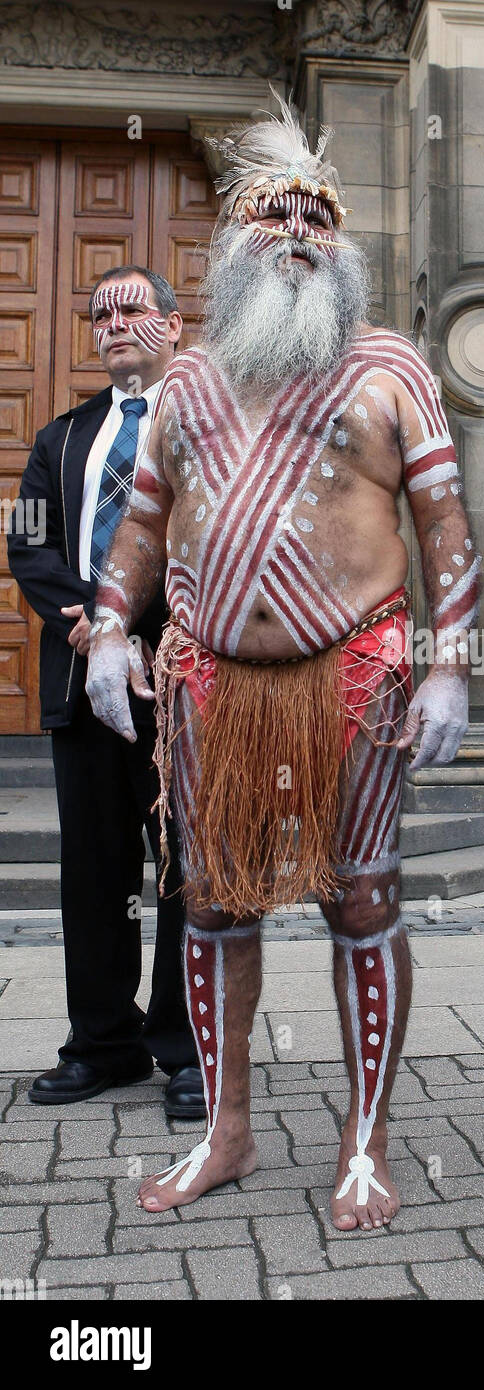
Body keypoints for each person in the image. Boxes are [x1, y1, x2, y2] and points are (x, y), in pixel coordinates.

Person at [85, 99, 481, 1232]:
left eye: (318, 218)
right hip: (211, 683)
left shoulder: (389, 368)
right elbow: (141, 529)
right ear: (234, 246)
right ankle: (228, 1127)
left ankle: (366, 1143)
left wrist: (450, 665)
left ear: (343, 248)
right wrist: (111, 629)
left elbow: (446, 525)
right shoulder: (190, 385)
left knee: (361, 900)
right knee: (211, 905)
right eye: (275, 218)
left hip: (353, 675)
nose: (299, 233)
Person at [8, 266, 205, 1120]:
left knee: (188, 872)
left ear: (172, 323)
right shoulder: (60, 437)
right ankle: (102, 1043)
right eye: (101, 313)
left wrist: (139, 623)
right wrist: (93, 621)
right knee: (93, 872)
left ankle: (188, 1051)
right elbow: (28, 544)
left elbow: (223, 542)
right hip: (83, 679)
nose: (115, 322)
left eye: (133, 308)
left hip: (184, 680)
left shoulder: (210, 427)